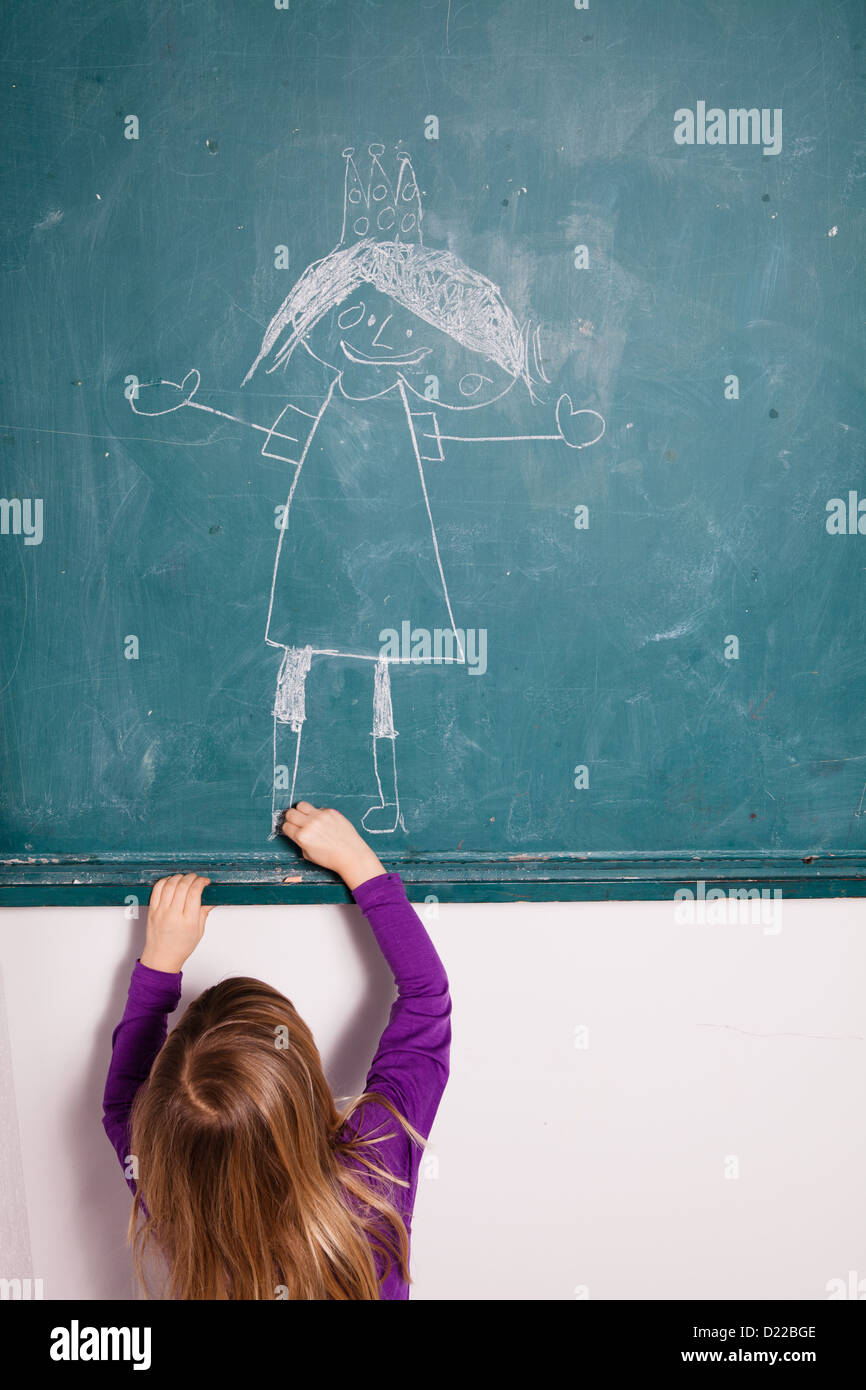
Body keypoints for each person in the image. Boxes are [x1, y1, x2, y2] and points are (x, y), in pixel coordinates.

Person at [101, 802, 451, 1299]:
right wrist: (359, 865)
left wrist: (158, 966)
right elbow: (425, 998)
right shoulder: (370, 1176)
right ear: (308, 1086)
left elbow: (121, 1104)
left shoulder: (168, 1188)